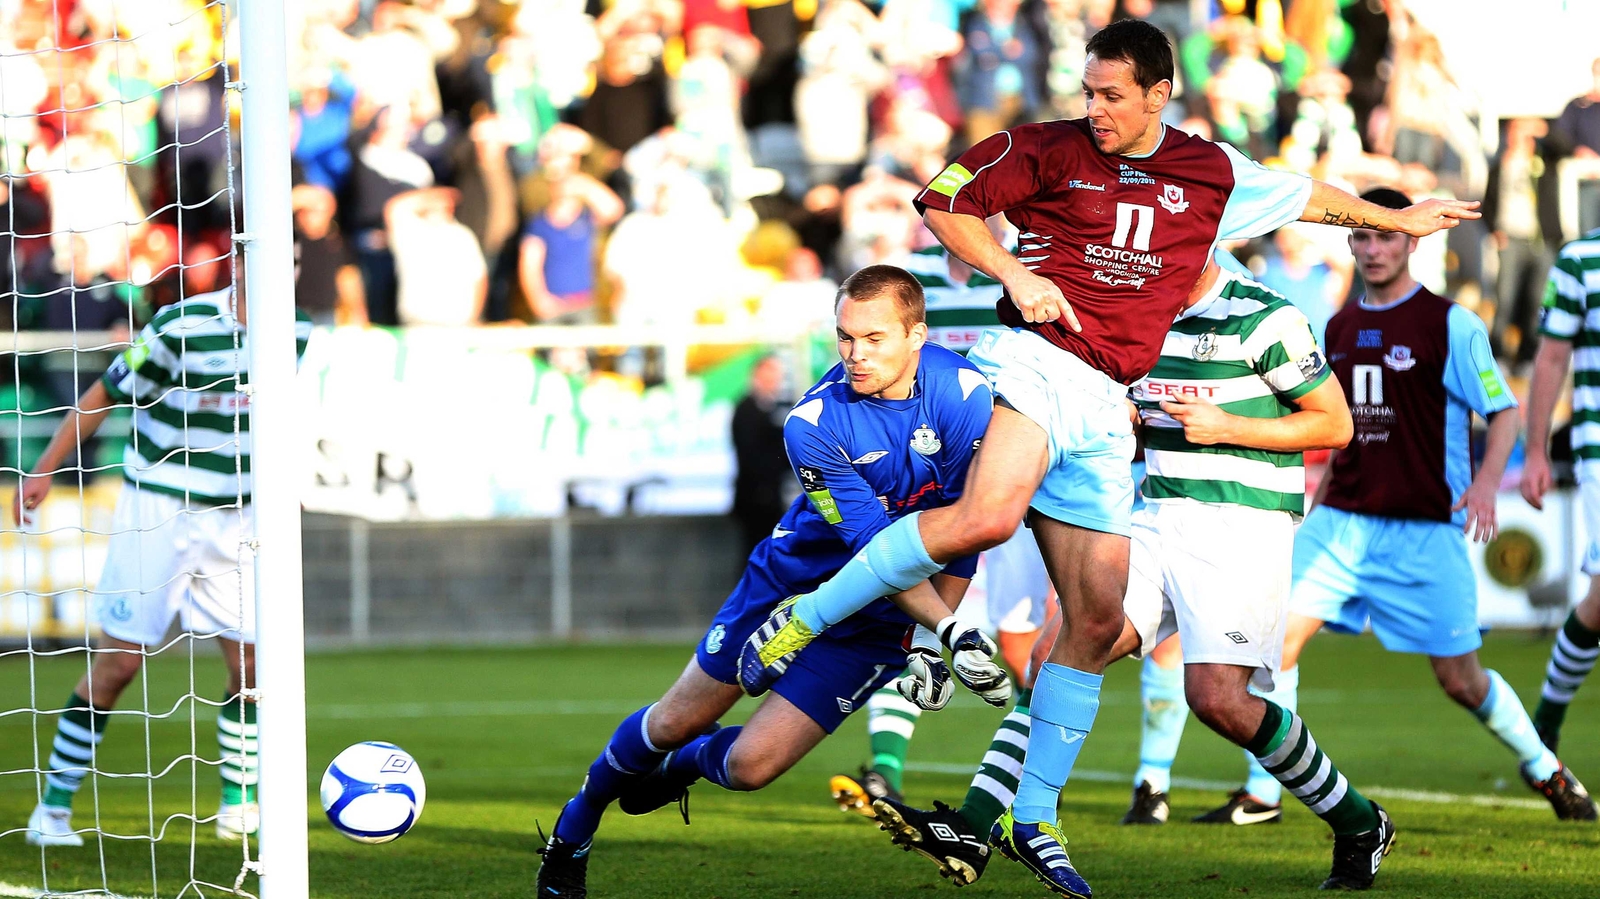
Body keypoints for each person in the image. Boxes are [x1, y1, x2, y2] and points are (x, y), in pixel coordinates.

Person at [737, 19, 1477, 896]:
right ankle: (812, 622)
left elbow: (1310, 197)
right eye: (1087, 90)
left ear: (1160, 93)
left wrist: (1395, 215)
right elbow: (942, 200)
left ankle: (1033, 817)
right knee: (991, 521)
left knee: (1110, 639)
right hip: (1040, 364)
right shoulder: (1046, 149)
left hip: (1136, 437)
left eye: (1111, 93)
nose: (1094, 108)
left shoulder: (1218, 190)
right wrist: (1014, 275)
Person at [871, 251, 1396, 892]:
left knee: (1219, 701)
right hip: (1150, 514)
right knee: (1062, 651)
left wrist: (1228, 425)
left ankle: (1359, 821)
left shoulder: (1265, 317)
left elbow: (1336, 424)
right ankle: (977, 825)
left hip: (1242, 522)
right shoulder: (1131, 313)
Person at [534, 266, 1012, 898]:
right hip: (789, 588)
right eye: (844, 337)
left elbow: (958, 534)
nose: (855, 355)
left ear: (918, 335)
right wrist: (947, 628)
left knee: (750, 768)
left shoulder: (967, 398)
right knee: (675, 718)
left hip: (876, 620)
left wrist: (928, 642)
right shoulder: (813, 423)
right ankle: (574, 829)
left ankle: (682, 767)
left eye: (874, 339)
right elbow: (878, 551)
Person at [1184, 188, 1596, 827]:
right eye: (1364, 237)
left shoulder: (1451, 324)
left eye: (1386, 237)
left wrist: (1487, 484)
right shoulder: (1338, 326)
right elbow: (1331, 426)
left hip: (1422, 530)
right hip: (1341, 522)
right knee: (1269, 648)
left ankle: (1546, 768)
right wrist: (1309, 509)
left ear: (1412, 241)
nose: (1373, 249)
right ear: (1352, 243)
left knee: (1462, 680)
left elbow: (1505, 411)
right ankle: (1261, 795)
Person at [19, 273, 314, 846]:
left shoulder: (298, 332)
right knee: (120, 665)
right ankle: (51, 811)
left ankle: (239, 805)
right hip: (159, 508)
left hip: (242, 514)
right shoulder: (179, 325)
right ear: (239, 254)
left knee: (252, 667)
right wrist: (46, 467)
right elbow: (106, 391)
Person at [830, 223, 1057, 819]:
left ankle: (1026, 785)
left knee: (1022, 642)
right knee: (908, 626)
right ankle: (885, 771)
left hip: (1011, 479)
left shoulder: (1019, 276)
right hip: (922, 476)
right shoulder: (906, 277)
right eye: (955, 212)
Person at [1521, 225, 1600, 756]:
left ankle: (1544, 718)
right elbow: (1551, 358)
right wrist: (1535, 450)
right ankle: (1545, 722)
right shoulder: (1580, 259)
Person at [730, 354, 792, 557]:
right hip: (756, 499)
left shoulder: (769, 409)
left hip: (767, 497)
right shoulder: (747, 410)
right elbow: (753, 457)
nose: (774, 382)